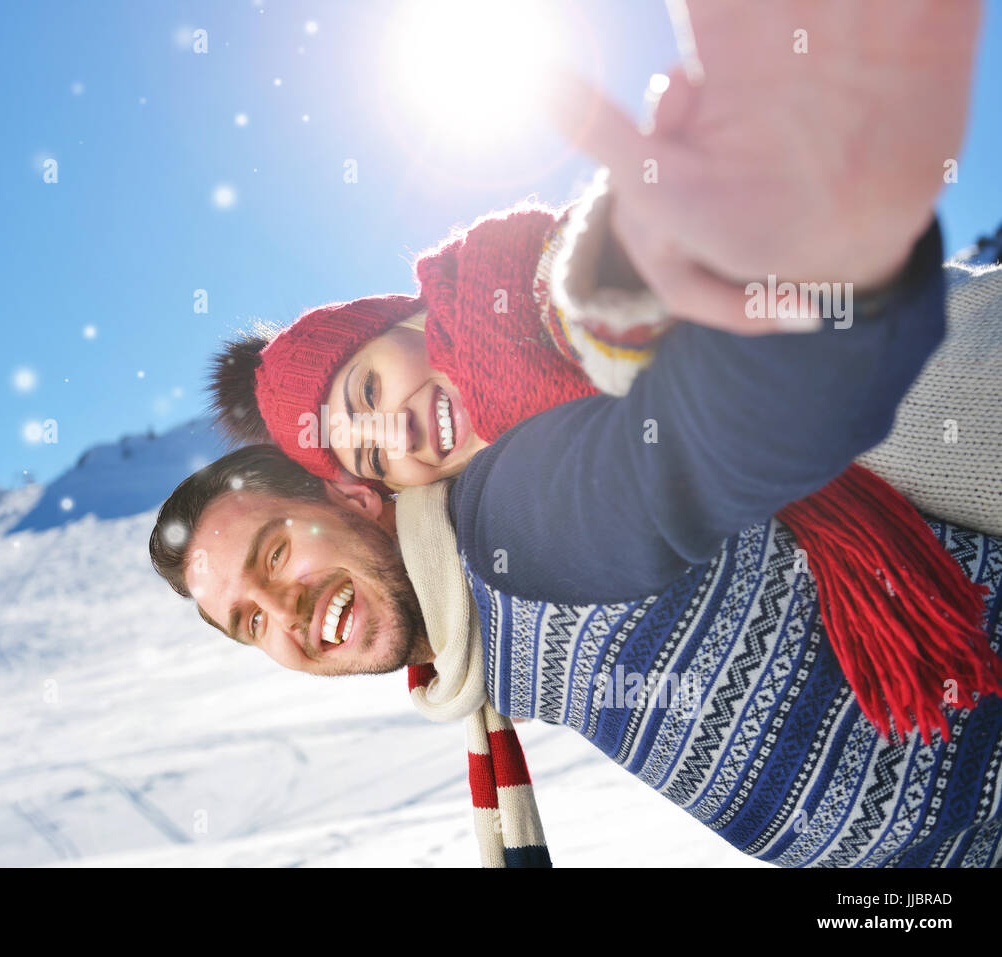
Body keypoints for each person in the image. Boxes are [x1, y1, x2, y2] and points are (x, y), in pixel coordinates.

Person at [152, 0, 1001, 866]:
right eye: (249, 623)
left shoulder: (504, 519)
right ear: (374, 481)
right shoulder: (473, 638)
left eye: (271, 558)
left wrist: (644, 270)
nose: (284, 611)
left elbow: (629, 391)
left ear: (347, 500)